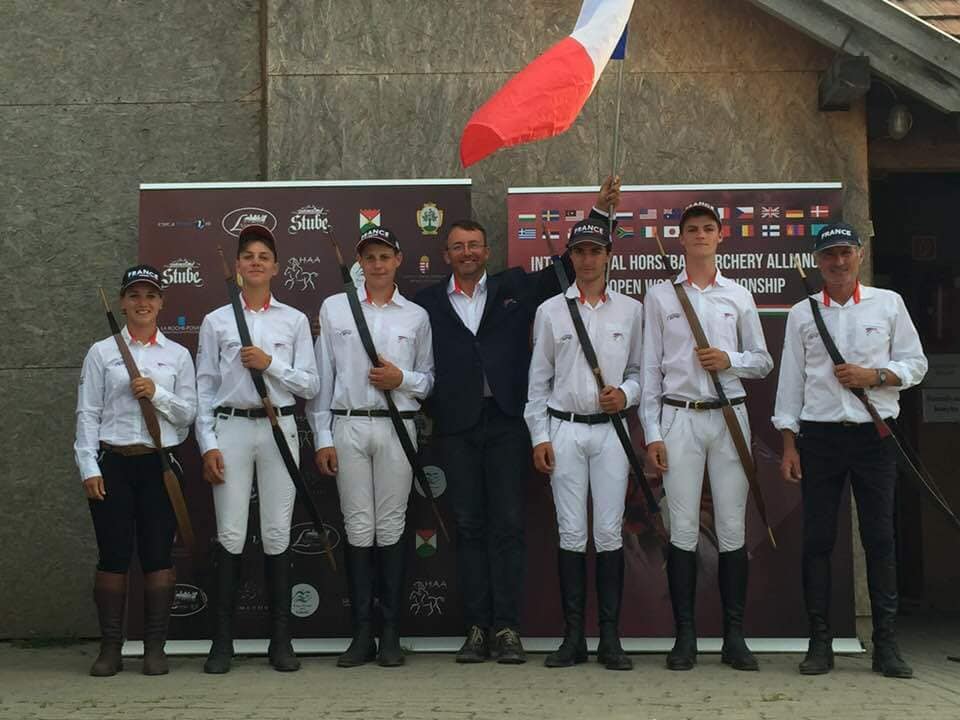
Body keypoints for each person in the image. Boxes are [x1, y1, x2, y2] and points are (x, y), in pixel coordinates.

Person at [414, 180, 621, 664]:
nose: (467, 253)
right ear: (446, 255)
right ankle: (476, 628)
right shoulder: (425, 303)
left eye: (474, 245)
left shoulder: (514, 287)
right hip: (458, 426)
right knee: (468, 527)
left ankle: (507, 628)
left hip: (509, 422)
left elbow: (572, 264)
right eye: (458, 246)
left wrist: (600, 212)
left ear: (487, 251)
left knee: (508, 526)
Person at [773, 222, 927, 679]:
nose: (838, 262)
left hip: (873, 436)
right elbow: (790, 381)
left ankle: (886, 646)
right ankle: (820, 643)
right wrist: (788, 443)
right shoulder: (802, 313)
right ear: (817, 261)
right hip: (819, 438)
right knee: (817, 541)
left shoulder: (888, 303)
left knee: (879, 540)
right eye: (829, 255)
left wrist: (875, 376)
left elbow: (915, 364)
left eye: (845, 253)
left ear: (860, 254)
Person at [641, 201, 773, 672]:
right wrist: (652, 433)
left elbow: (763, 360)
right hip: (679, 417)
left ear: (720, 236)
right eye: (692, 229)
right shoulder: (660, 297)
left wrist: (729, 360)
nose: (700, 235)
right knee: (681, 529)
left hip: (729, 417)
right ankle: (685, 638)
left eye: (708, 228)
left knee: (732, 528)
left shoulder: (738, 295)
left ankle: (734, 638)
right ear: (681, 239)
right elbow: (651, 372)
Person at [307, 226, 434, 668]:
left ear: (398, 260)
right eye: (370, 257)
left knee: (392, 526)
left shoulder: (416, 316)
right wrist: (322, 436)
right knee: (358, 527)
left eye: (384, 256)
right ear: (359, 262)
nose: (377, 264)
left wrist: (402, 379)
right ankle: (362, 633)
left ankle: (391, 632)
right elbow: (322, 378)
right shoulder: (334, 308)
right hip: (349, 424)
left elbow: (428, 380)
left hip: (397, 426)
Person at [196, 224, 320, 674]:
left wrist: (271, 364)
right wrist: (207, 443)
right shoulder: (216, 320)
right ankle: (222, 642)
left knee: (277, 532)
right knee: (230, 533)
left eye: (263, 256)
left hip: (279, 427)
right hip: (231, 427)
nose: (255, 262)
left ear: (276, 267)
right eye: (247, 255)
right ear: (237, 265)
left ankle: (280, 641)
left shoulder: (294, 320)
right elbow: (204, 387)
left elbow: (311, 384)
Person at [524, 218, 641, 671]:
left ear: (609, 255)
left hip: (611, 432)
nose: (588, 259)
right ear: (570, 257)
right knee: (571, 533)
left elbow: (641, 373)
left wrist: (625, 395)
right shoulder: (550, 311)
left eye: (595, 251)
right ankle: (573, 638)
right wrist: (539, 435)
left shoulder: (631, 310)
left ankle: (610, 639)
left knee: (608, 532)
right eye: (580, 251)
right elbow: (538, 381)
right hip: (565, 429)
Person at [75, 264, 197, 676]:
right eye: (134, 295)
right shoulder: (101, 352)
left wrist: (156, 392)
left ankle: (154, 648)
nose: (142, 302)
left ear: (161, 302)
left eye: (150, 295)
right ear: (123, 302)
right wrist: (88, 466)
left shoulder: (178, 355)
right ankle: (111, 648)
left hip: (158, 465)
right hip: (112, 464)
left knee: (157, 555)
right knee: (112, 556)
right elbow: (88, 413)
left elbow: (188, 414)